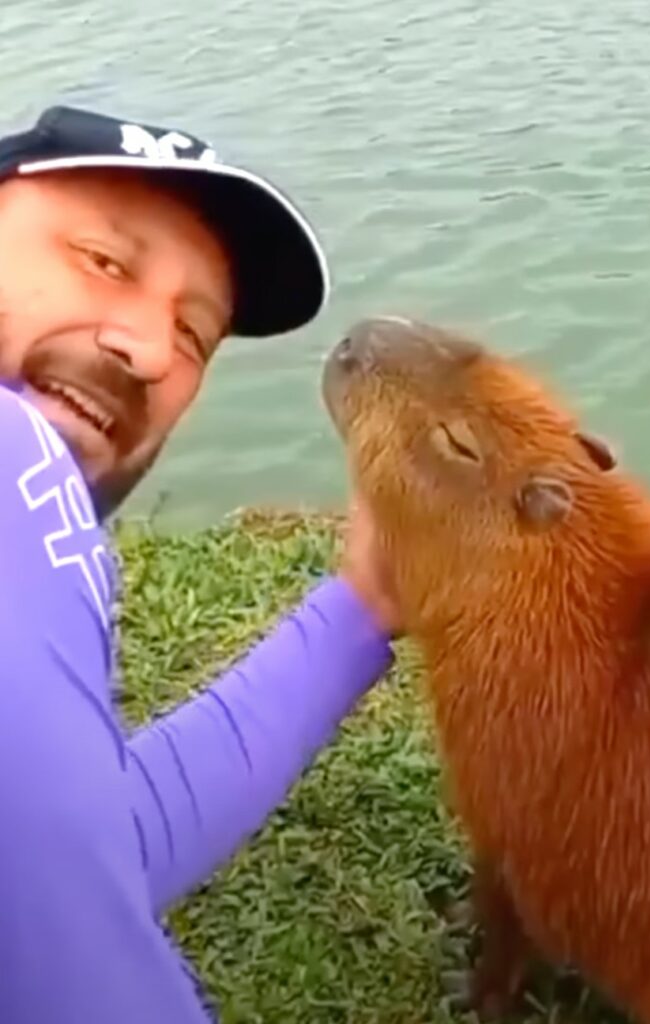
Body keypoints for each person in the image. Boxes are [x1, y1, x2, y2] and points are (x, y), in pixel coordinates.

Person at [0, 105, 401, 1022]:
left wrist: (366, 606)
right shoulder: (13, 457)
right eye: (101, 260)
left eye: (193, 333)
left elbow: (80, 858)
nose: (147, 351)